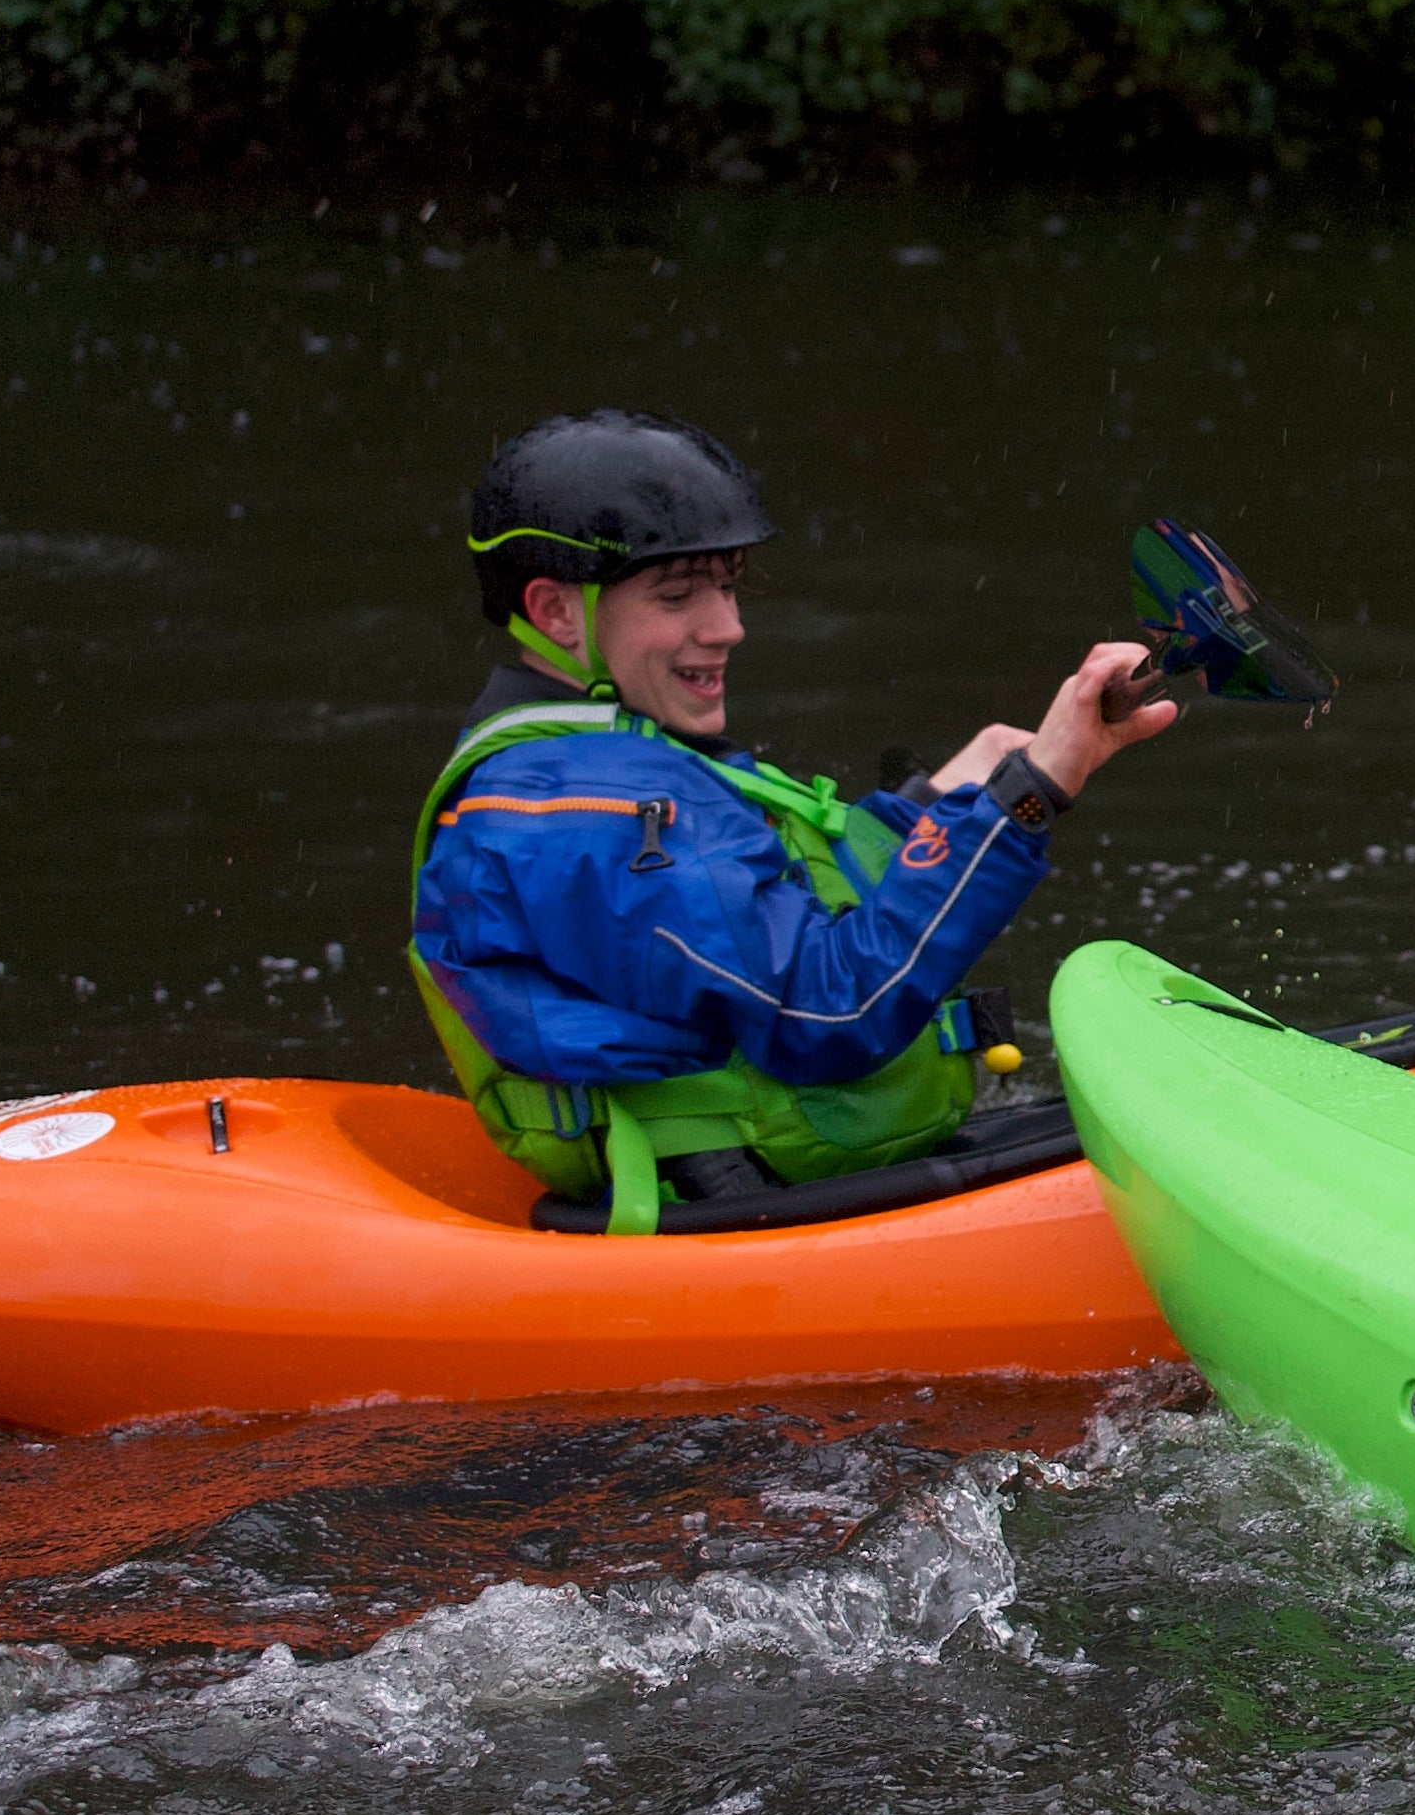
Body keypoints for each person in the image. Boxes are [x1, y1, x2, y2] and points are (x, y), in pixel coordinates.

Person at [408, 409, 1175, 1232]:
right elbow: (834, 1011)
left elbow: (787, 918)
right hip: (737, 1210)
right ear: (557, 613)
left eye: (728, 586)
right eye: (677, 596)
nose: (727, 627)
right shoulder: (591, 811)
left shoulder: (600, 766)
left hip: (776, 1176)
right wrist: (1029, 793)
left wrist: (958, 797)